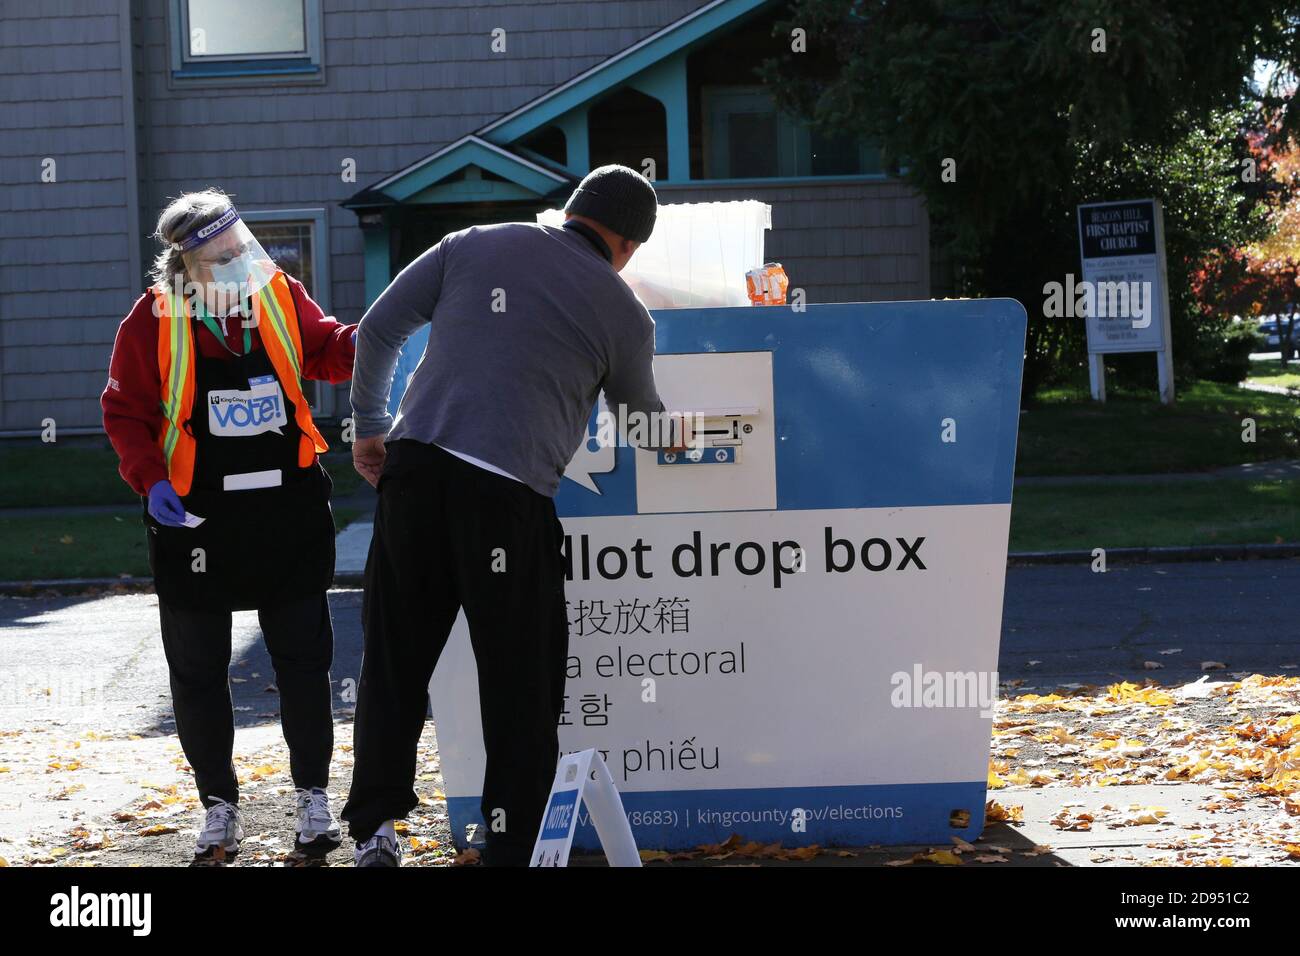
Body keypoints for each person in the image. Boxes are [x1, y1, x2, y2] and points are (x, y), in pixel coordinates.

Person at [343, 165, 679, 866]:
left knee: (395, 663)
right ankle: (510, 844)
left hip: (415, 472)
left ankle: (374, 829)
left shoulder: (473, 242)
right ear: (630, 245)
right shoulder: (624, 310)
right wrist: (680, 429)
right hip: (507, 499)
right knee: (520, 683)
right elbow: (643, 428)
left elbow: (376, 329)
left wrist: (369, 424)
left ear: (569, 213)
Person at [102, 189, 357, 864]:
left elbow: (326, 350)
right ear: (188, 269)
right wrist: (150, 479)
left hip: (286, 507)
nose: (243, 263)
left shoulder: (279, 293)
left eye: (244, 247)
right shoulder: (150, 322)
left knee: (305, 660)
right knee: (198, 670)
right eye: (224, 257)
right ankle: (218, 805)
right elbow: (125, 411)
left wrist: (367, 339)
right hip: (196, 517)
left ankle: (312, 798)